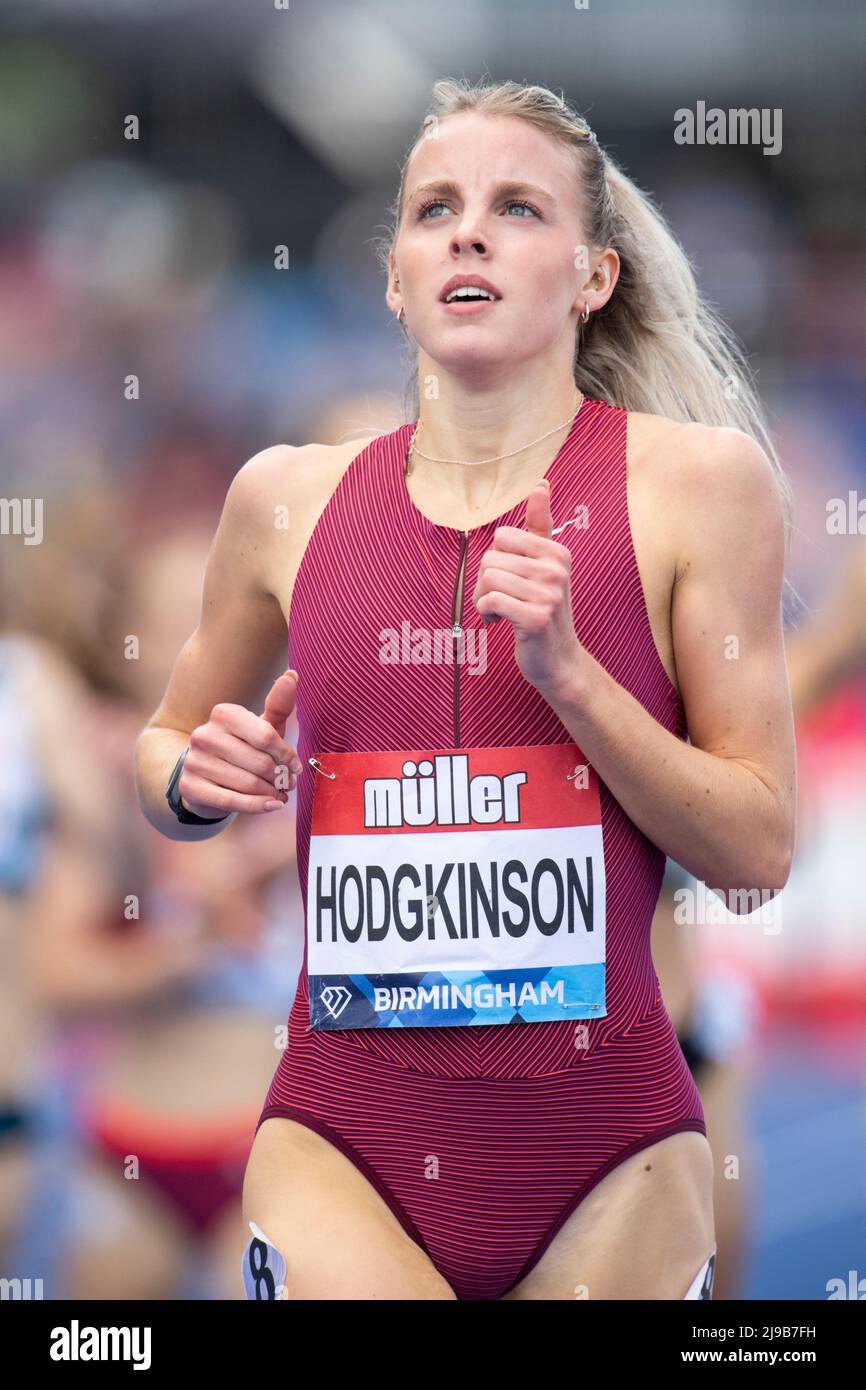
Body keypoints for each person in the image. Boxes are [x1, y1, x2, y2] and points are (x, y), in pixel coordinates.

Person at [135, 78, 797, 1301]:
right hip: (345, 1141)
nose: (469, 232)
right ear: (393, 276)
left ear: (592, 275)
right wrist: (187, 777)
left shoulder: (701, 487)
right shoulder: (281, 496)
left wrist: (575, 680)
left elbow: (757, 848)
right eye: (434, 208)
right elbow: (165, 743)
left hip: (610, 1151)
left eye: (516, 209)